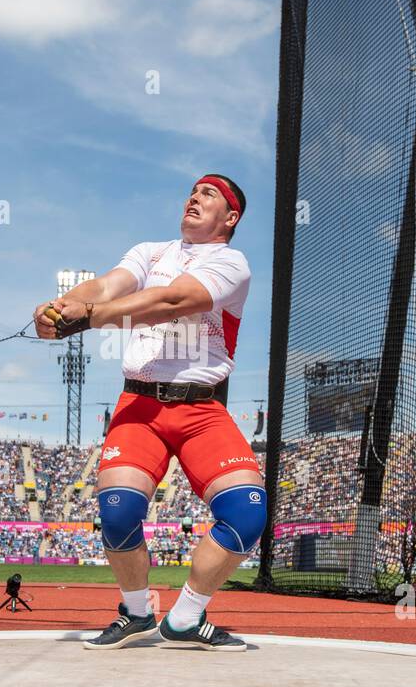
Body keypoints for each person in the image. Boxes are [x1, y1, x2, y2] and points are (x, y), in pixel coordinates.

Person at [33, 174, 265, 651]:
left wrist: (89, 318)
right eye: (193, 191)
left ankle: (184, 617)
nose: (194, 198)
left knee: (246, 513)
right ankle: (136, 613)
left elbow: (171, 301)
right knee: (118, 512)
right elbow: (107, 284)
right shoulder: (150, 252)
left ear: (231, 217)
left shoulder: (231, 263)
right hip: (139, 404)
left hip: (202, 409)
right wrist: (62, 307)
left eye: (209, 195)